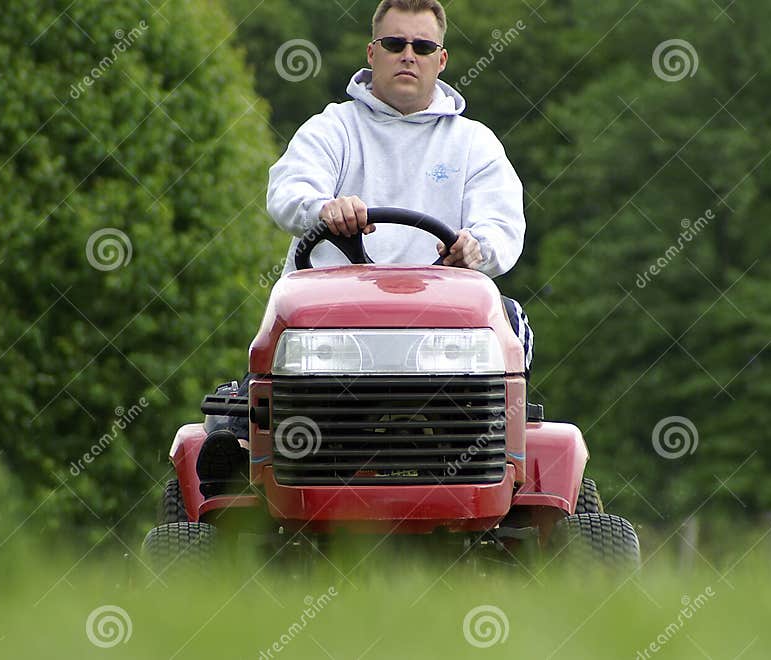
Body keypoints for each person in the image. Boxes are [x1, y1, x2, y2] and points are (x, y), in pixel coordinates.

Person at [215, 0, 533, 448]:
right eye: (394, 44)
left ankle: (496, 455)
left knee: (508, 320)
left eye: (422, 47)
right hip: (332, 317)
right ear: (372, 53)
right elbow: (287, 191)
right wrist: (324, 209)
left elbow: (501, 226)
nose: (408, 56)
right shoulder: (334, 128)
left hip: (440, 324)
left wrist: (476, 247)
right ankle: (247, 447)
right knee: (282, 329)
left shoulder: (474, 144)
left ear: (441, 59)